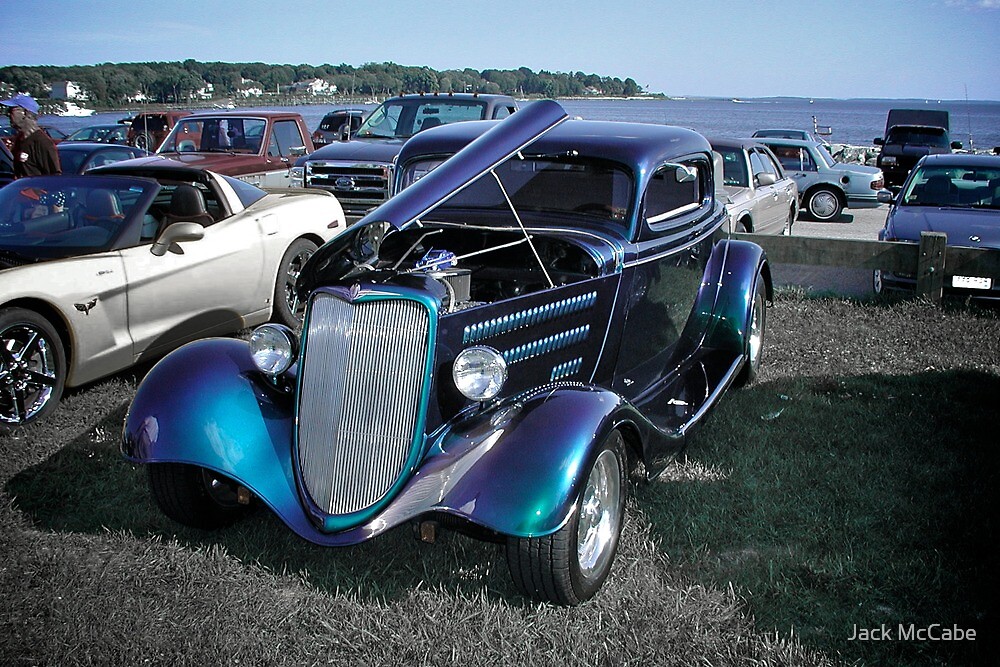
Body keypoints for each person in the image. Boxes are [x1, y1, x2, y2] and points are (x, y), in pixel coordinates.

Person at [2, 94, 61, 177]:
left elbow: (54, 178)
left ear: (25, 113)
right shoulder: (19, 140)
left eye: (11, 110)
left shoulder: (43, 143)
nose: (7, 114)